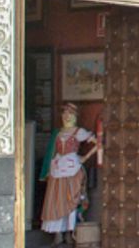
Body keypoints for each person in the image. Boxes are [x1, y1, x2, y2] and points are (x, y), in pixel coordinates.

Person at [39, 102, 97, 244]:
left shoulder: (78, 132)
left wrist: (85, 157)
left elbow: (98, 143)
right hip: (57, 169)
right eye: (64, 113)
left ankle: (70, 232)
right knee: (56, 200)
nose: (67, 116)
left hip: (72, 169)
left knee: (71, 200)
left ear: (75, 116)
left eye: (70, 113)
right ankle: (57, 233)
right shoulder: (58, 133)